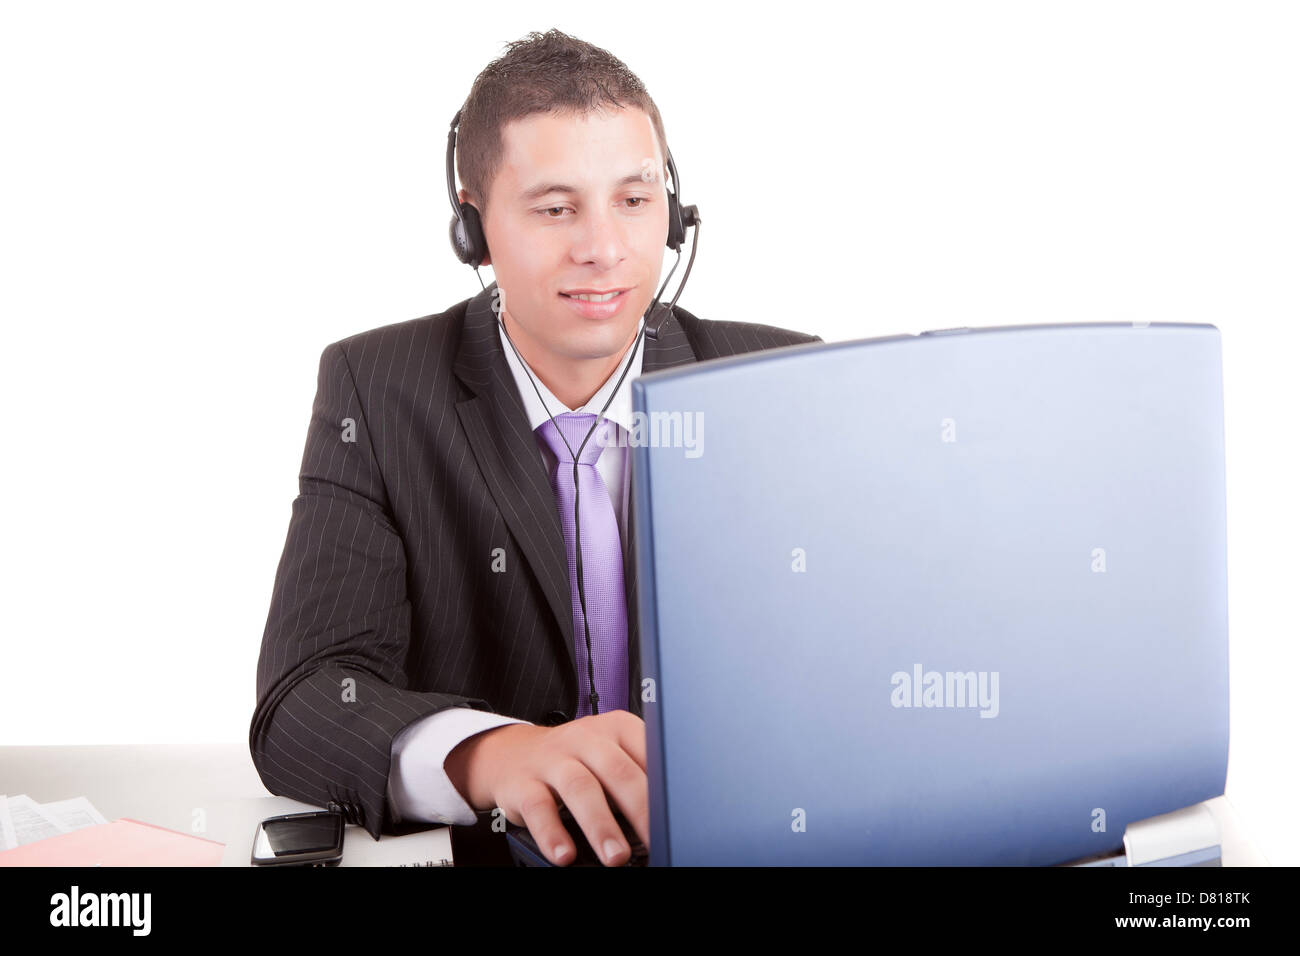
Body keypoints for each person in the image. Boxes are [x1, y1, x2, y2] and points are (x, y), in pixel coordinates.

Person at [249, 28, 822, 866]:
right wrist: (491, 754)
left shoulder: (778, 380)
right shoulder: (378, 390)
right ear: (471, 227)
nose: (605, 248)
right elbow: (301, 702)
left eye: (635, 199)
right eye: (556, 208)